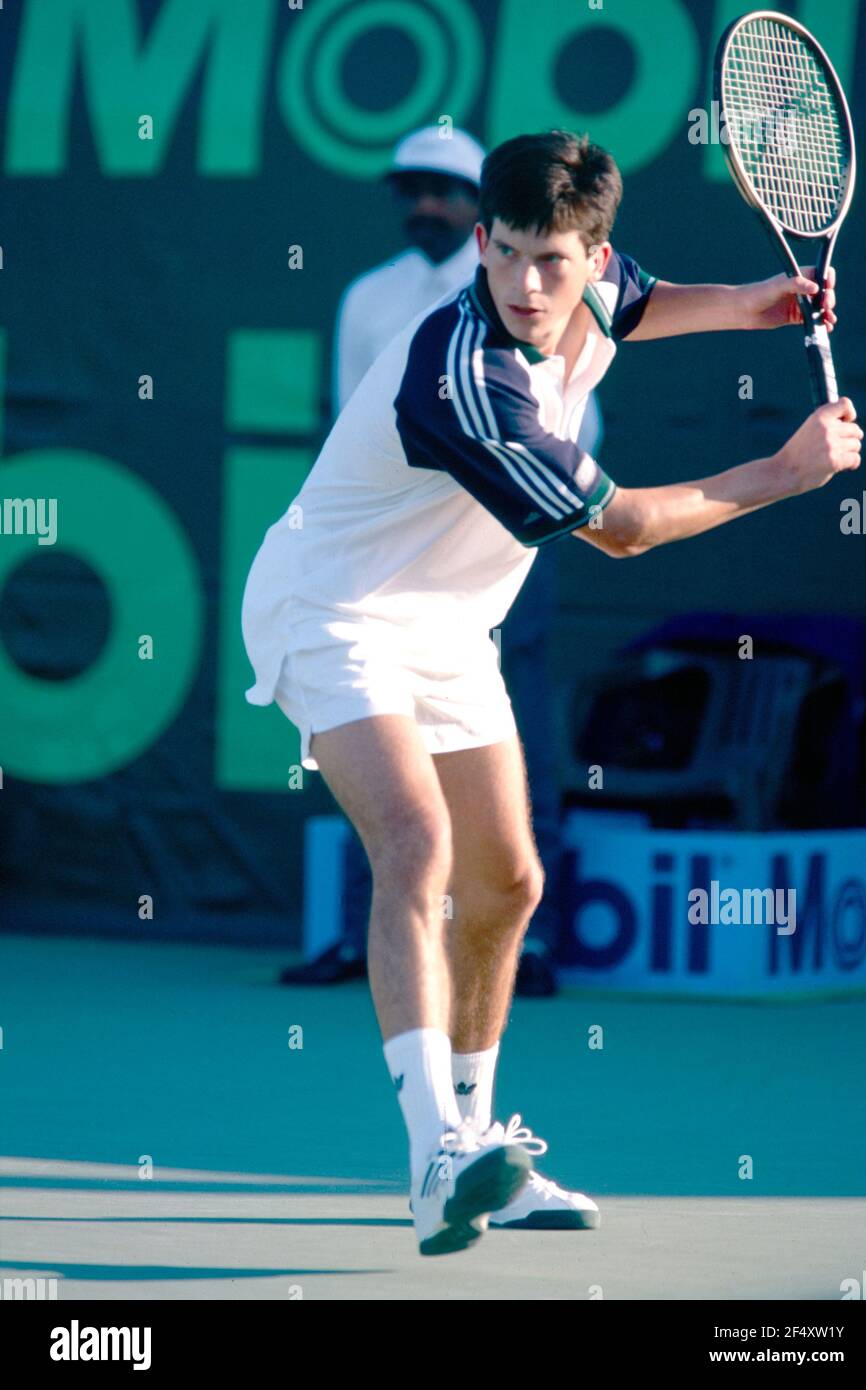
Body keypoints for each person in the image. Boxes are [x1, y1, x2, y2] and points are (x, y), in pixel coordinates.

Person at [242, 130, 857, 1255]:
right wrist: (784, 472)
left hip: (449, 621)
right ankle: (433, 1155)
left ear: (592, 251)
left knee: (512, 882)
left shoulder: (592, 281)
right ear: (481, 242)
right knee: (417, 842)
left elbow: (646, 299)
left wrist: (754, 303)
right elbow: (622, 532)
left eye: (556, 262)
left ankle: (482, 1143)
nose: (531, 286)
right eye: (511, 254)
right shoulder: (465, 374)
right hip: (332, 609)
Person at [284, 125, 592, 992]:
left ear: (485, 213)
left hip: (507, 544)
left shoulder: (527, 288)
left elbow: (565, 430)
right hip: (391, 563)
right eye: (410, 188)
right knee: (371, 738)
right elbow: (357, 430)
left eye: (444, 189)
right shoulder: (367, 299)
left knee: (515, 730)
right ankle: (360, 938)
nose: (425, 204)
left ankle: (528, 943)